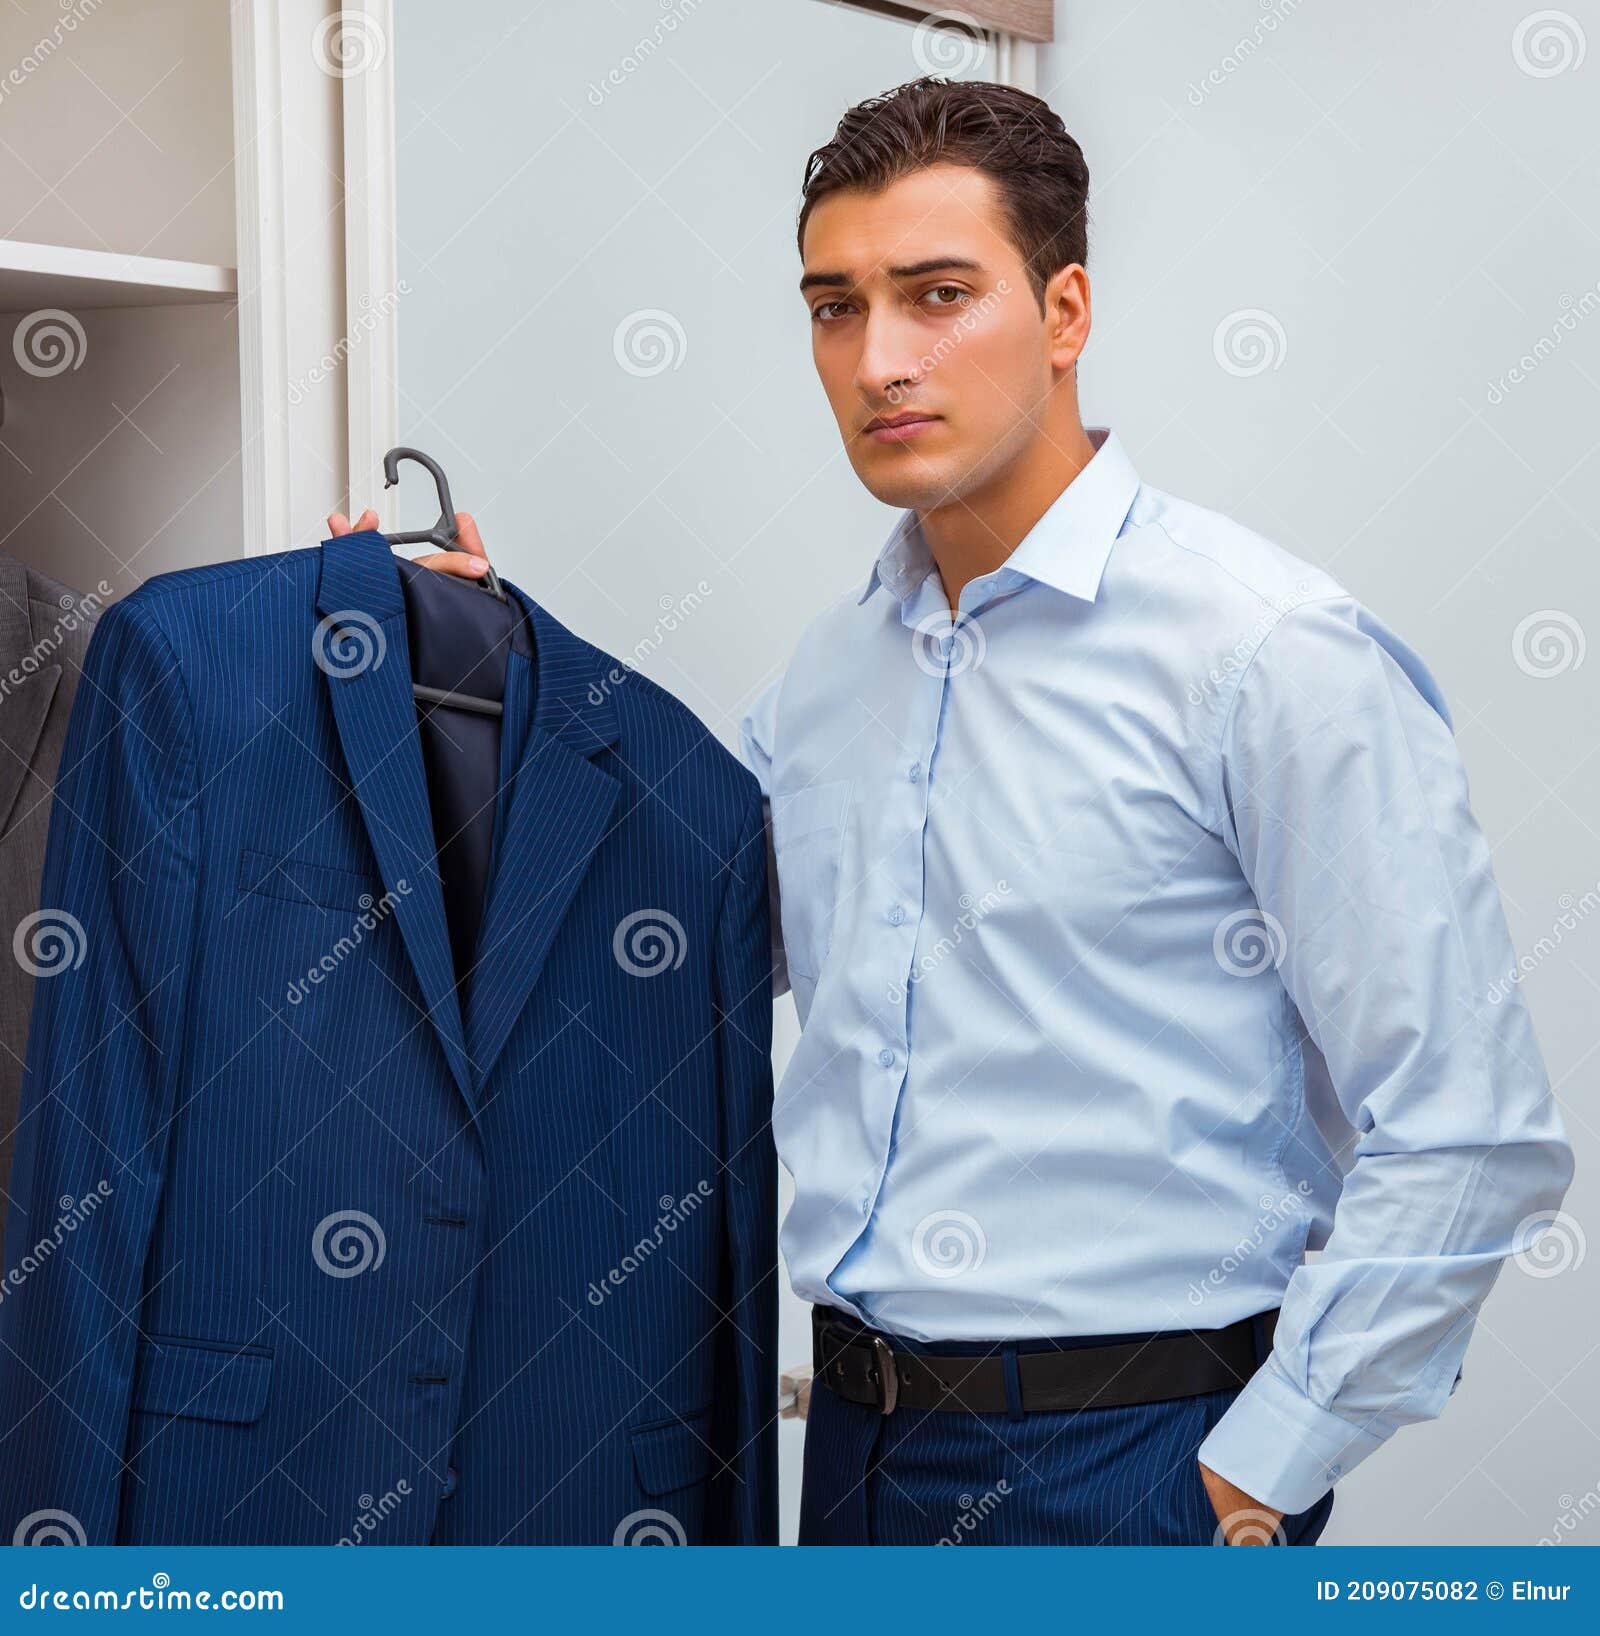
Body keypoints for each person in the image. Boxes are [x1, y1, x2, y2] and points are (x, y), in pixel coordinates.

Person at [335, 76, 1573, 1547]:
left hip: (1138, 1467)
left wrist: (1249, 1480)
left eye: (936, 295)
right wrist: (485, 676)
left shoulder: (1268, 656)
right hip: (848, 1456)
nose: (879, 360)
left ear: (1064, 314)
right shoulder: (833, 675)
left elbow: (1468, 1128)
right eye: (834, 307)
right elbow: (675, 931)